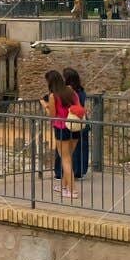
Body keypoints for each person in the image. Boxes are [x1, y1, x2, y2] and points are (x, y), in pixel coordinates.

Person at [45, 69, 84, 200]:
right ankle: (64, 186)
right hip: (75, 127)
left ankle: (72, 191)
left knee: (65, 158)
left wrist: (46, 106)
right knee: (68, 157)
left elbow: (52, 115)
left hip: (61, 128)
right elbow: (78, 107)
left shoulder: (53, 96)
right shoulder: (71, 90)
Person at [54, 67, 89, 184]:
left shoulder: (68, 93)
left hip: (67, 124)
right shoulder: (81, 92)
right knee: (79, 148)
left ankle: (65, 176)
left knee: (65, 153)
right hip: (79, 122)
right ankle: (78, 172)